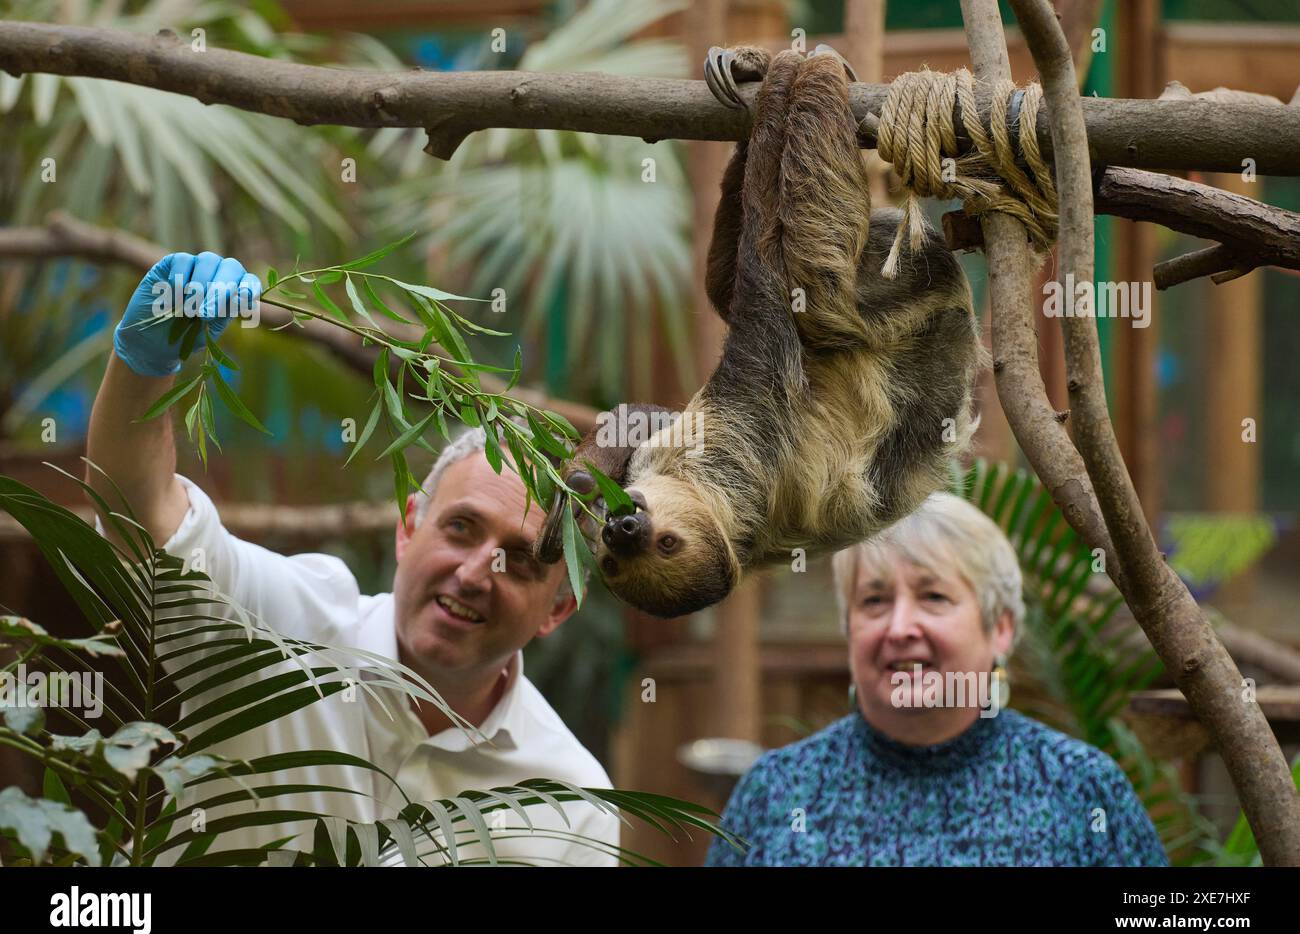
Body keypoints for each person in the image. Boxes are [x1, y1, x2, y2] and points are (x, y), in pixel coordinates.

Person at [86, 251, 619, 865]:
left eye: (521, 562)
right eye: (460, 528)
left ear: (560, 608)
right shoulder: (286, 625)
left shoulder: (571, 803)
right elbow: (140, 510)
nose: (475, 574)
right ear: (408, 526)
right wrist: (146, 365)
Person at [705, 492, 1168, 866]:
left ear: (1000, 627)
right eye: (874, 601)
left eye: (933, 596)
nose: (900, 626)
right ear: (849, 627)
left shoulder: (1080, 788)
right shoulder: (777, 791)